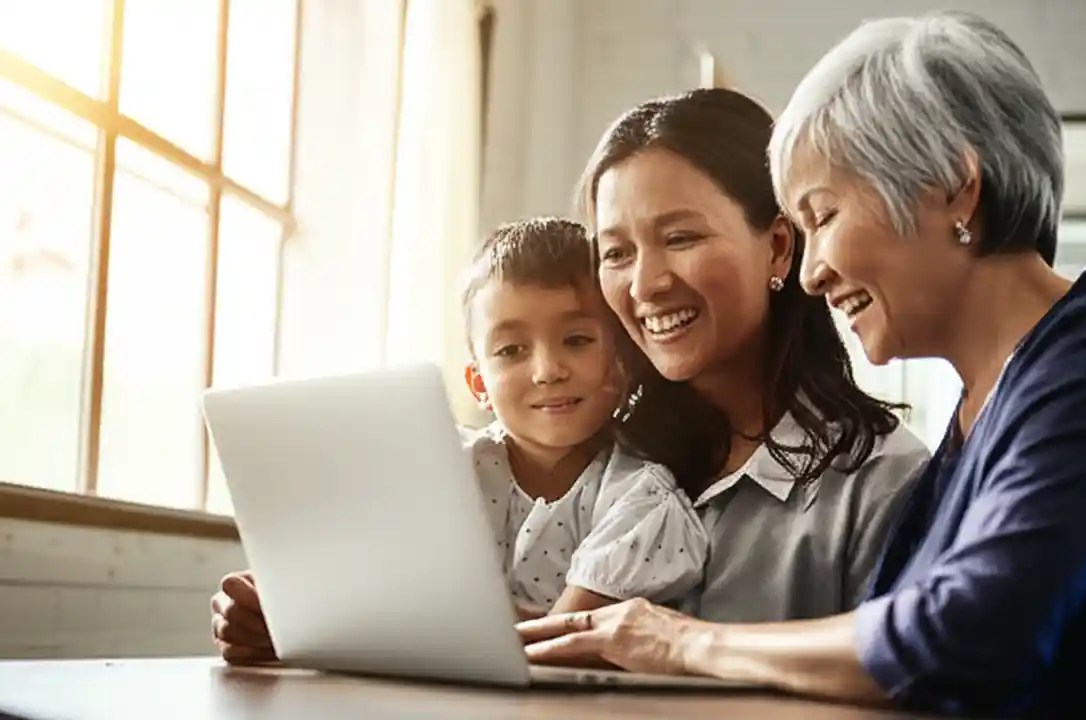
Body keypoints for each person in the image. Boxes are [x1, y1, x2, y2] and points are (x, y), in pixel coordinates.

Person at [518, 11, 1086, 719]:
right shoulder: (990, 407)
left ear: (955, 190)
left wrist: (682, 642)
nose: (810, 273)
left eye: (824, 216)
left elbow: (957, 641)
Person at [212, 85, 928, 657]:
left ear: (778, 249)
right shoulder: (575, 447)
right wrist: (311, 621)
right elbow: (526, 641)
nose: (645, 284)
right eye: (615, 252)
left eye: (679, 238)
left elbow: (917, 689)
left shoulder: (879, 481)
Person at [210, 217, 708, 662]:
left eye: (576, 340)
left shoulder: (645, 503)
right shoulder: (435, 467)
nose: (547, 371)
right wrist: (282, 616)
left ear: (620, 367)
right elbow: (360, 594)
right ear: (478, 384)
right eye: (511, 349)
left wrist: (362, 623)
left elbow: (553, 647)